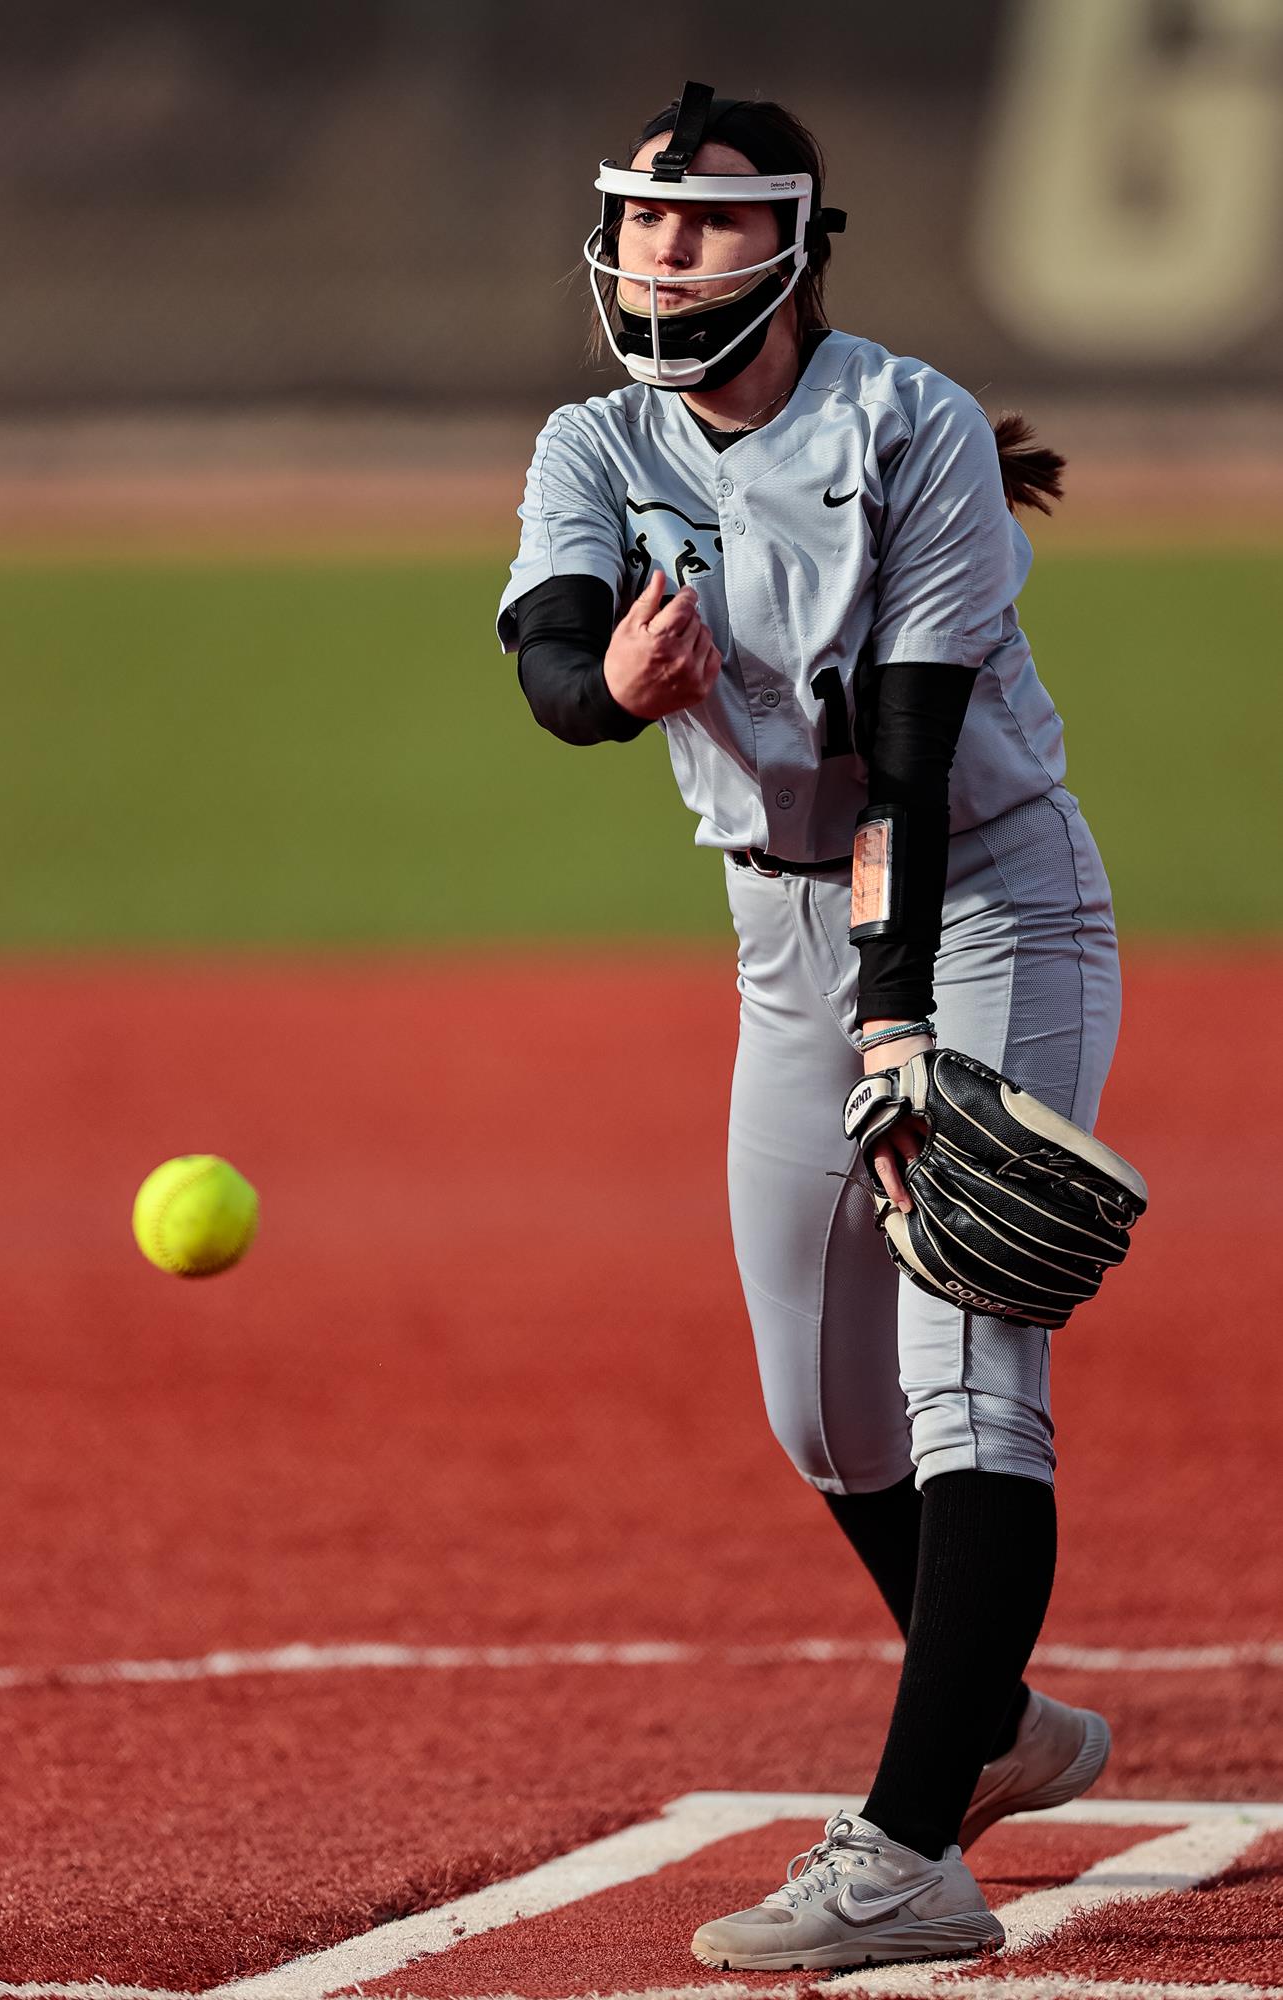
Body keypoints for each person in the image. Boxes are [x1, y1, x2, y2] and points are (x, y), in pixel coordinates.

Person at [497, 81, 1119, 1975]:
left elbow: (912, 763)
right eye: (638, 219)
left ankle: (915, 1847)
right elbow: (545, 653)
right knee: (826, 1415)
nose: (657, 250)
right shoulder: (599, 436)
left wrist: (898, 1024)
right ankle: (1000, 1722)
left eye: (697, 222)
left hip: (979, 907)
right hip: (779, 934)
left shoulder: (903, 424)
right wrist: (605, 688)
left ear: (790, 244)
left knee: (959, 1385)